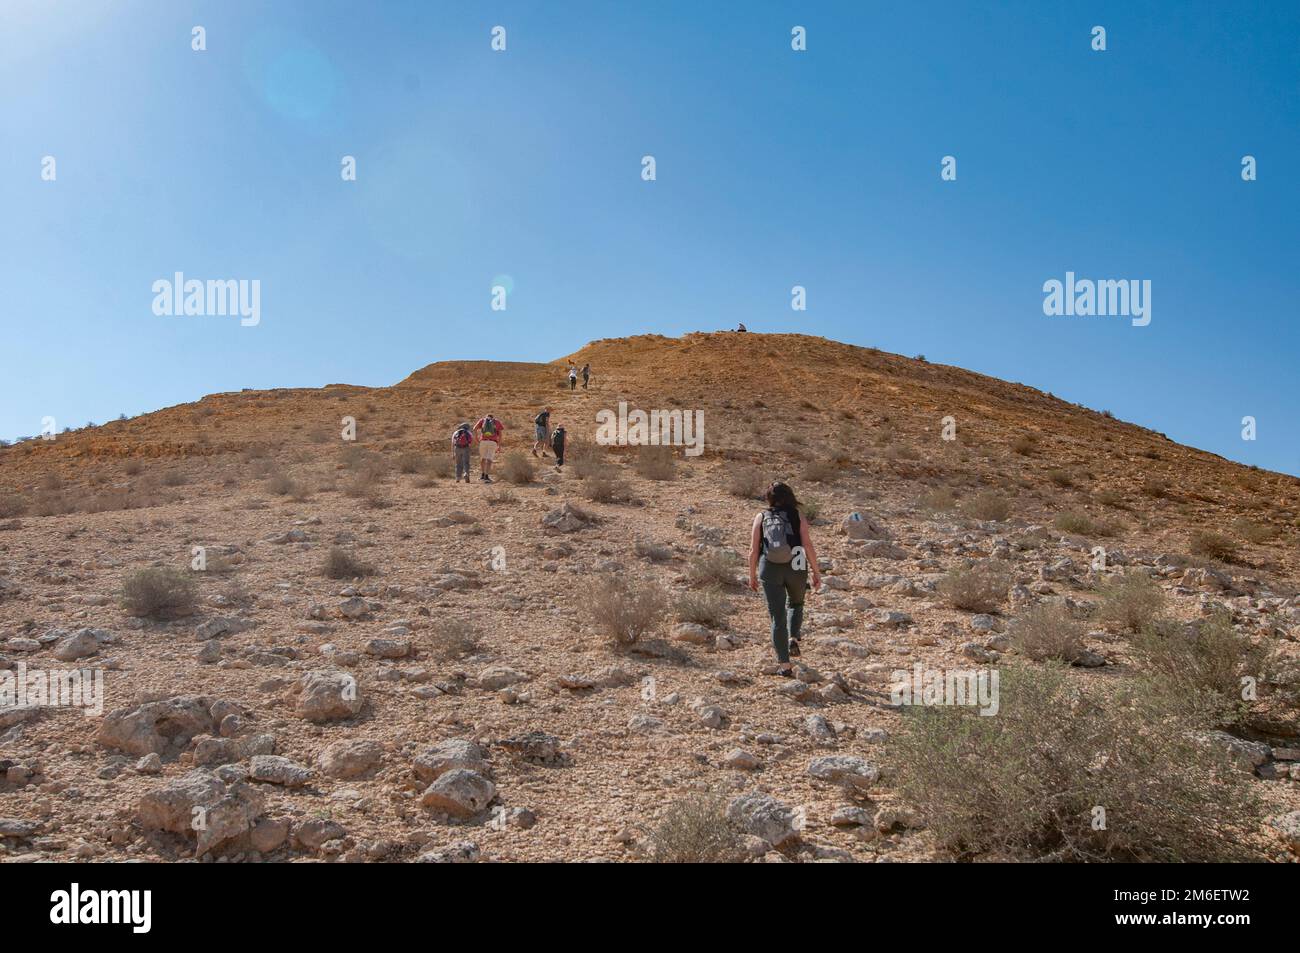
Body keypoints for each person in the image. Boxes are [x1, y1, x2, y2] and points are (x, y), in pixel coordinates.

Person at [747, 481, 820, 676]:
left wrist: (751, 575)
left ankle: (785, 666)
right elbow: (807, 545)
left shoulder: (761, 517)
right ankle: (793, 638)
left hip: (769, 567)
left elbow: (754, 550)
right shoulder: (797, 515)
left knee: (777, 618)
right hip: (796, 562)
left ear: (769, 498)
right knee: (796, 602)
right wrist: (816, 571)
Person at [473, 413, 504, 483]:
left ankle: (482, 475)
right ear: (493, 417)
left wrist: (476, 439)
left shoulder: (482, 420)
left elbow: (474, 428)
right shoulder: (497, 422)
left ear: (486, 417)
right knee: (489, 459)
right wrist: (499, 445)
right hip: (493, 442)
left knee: (483, 458)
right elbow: (500, 435)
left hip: (483, 442)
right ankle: (486, 476)